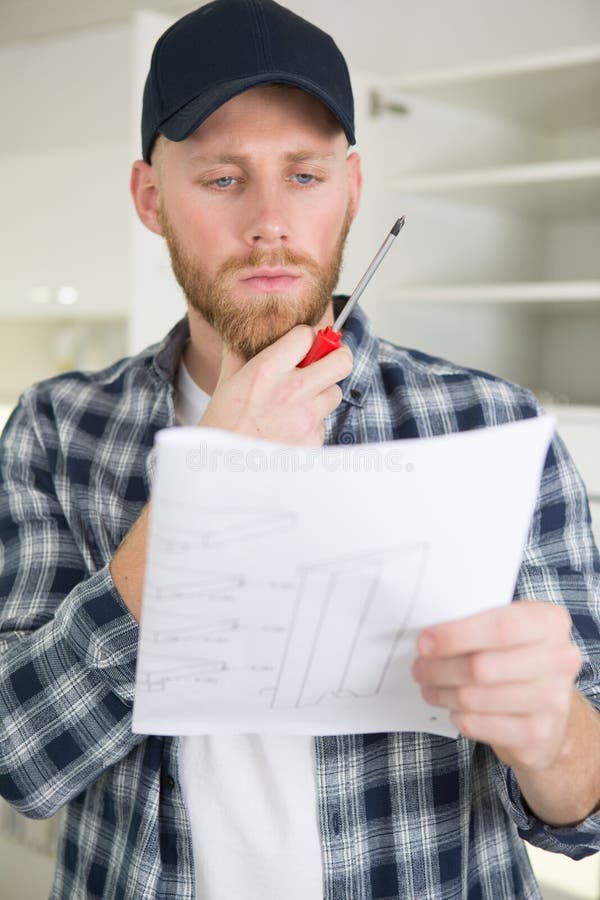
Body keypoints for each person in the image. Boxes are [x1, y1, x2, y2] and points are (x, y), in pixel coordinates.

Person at [1, 0, 600, 897]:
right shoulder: (56, 427)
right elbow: (20, 762)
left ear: (352, 189)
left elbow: (586, 812)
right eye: (223, 178)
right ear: (151, 198)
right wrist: (206, 492)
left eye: (306, 176)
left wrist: (552, 737)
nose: (271, 222)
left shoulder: (492, 423)